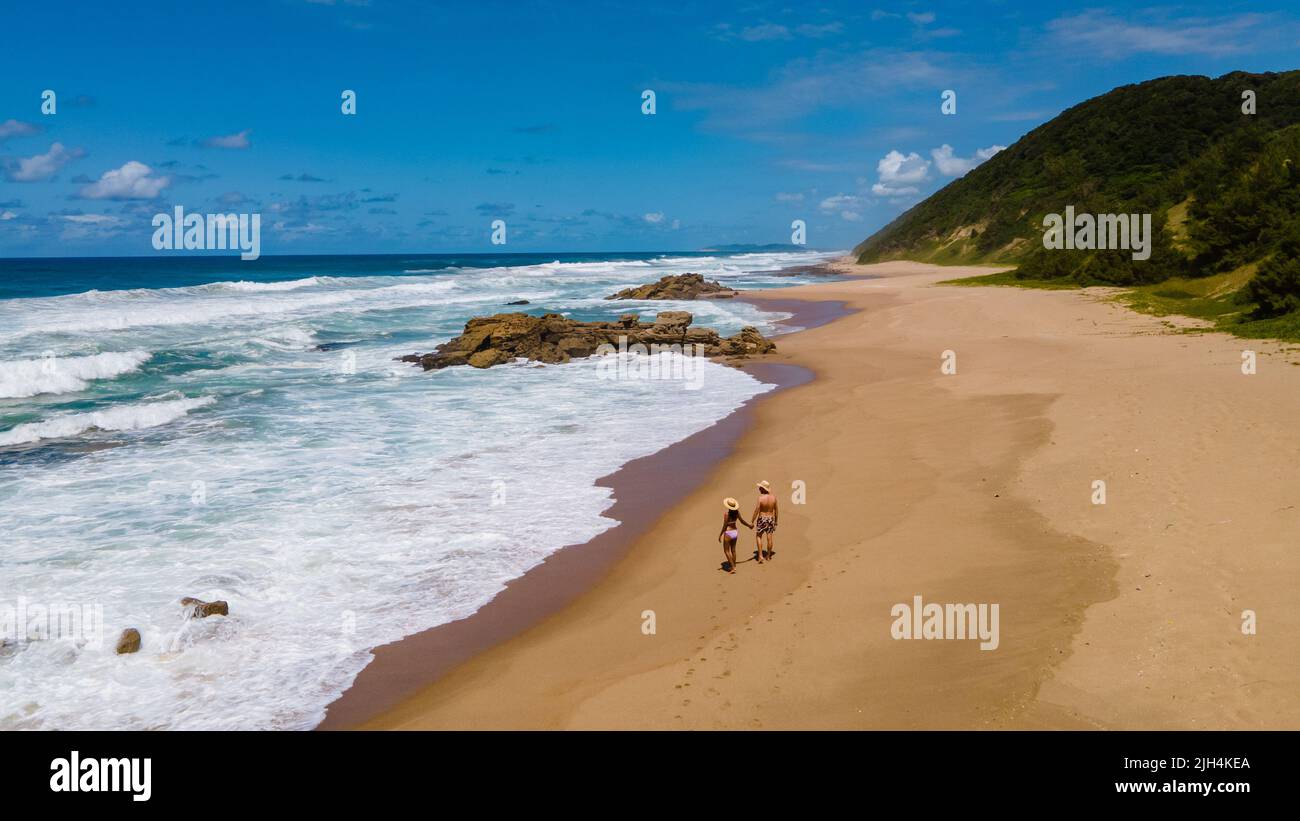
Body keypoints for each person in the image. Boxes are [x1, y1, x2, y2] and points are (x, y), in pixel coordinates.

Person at [718, 497, 751, 574]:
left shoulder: (726, 514)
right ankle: (734, 565)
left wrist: (720, 534)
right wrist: (749, 525)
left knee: (726, 551)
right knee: (733, 550)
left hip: (728, 532)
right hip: (735, 532)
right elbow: (742, 521)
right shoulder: (736, 512)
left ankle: (733, 568)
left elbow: (725, 525)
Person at [752, 480, 778, 563]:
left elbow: (757, 510)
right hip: (770, 518)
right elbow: (776, 511)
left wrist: (752, 520)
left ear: (763, 489)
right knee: (769, 537)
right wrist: (776, 521)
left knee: (758, 536)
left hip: (762, 518)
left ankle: (760, 555)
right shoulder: (773, 498)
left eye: (760, 487)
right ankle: (768, 556)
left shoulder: (760, 498)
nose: (759, 488)